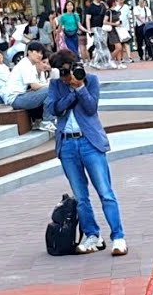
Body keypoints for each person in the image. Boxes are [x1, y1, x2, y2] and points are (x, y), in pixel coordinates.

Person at [47, 49, 126, 256]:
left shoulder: (90, 80)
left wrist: (80, 87)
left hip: (89, 142)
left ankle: (118, 237)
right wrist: (72, 93)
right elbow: (53, 108)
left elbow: (91, 108)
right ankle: (92, 235)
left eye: (66, 72)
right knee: (81, 197)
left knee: (105, 192)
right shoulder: (56, 85)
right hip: (67, 145)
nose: (65, 78)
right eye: (61, 73)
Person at [3, 42, 55, 131]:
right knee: (50, 90)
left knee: (46, 91)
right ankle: (47, 121)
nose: (40, 55)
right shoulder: (25, 64)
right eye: (37, 52)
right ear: (29, 52)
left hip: (19, 97)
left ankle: (39, 121)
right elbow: (34, 86)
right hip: (16, 99)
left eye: (41, 53)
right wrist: (50, 84)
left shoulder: (30, 65)